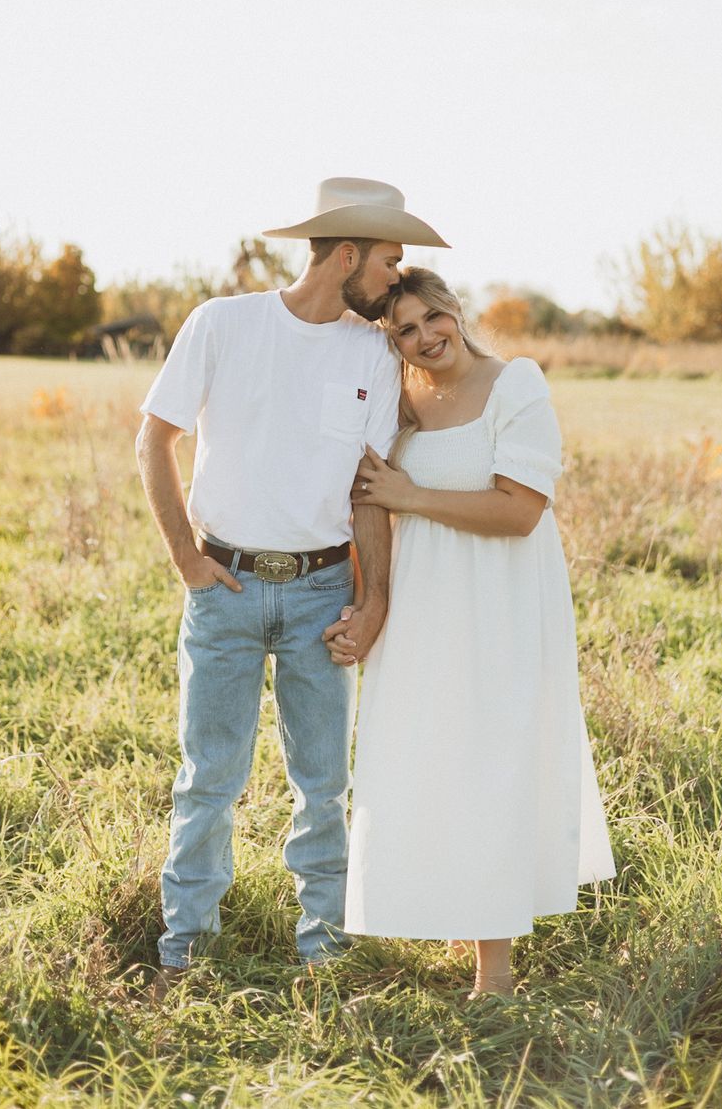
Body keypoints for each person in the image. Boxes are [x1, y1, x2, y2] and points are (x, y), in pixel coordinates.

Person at [135, 179, 448, 1000]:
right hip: (225, 586)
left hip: (320, 592)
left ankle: (324, 941)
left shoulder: (371, 353)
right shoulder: (221, 323)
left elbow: (368, 489)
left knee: (323, 781)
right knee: (209, 775)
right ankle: (187, 942)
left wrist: (372, 601)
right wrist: (186, 560)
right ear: (346, 255)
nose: (395, 279)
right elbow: (153, 440)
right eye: (389, 261)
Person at [325, 268, 615, 996]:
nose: (426, 338)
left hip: (499, 603)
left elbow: (520, 510)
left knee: (490, 760)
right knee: (435, 752)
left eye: (432, 319)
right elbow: (367, 496)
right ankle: (454, 909)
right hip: (427, 603)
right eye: (405, 331)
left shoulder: (515, 383)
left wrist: (411, 495)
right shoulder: (403, 400)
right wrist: (372, 599)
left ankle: (496, 970)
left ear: (456, 310)